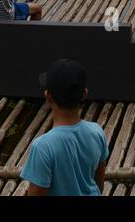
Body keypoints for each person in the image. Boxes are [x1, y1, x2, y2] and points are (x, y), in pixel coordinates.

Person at [22, 59, 110, 196]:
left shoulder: (43, 147)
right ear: (84, 94)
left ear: (48, 96)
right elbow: (99, 184)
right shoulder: (97, 132)